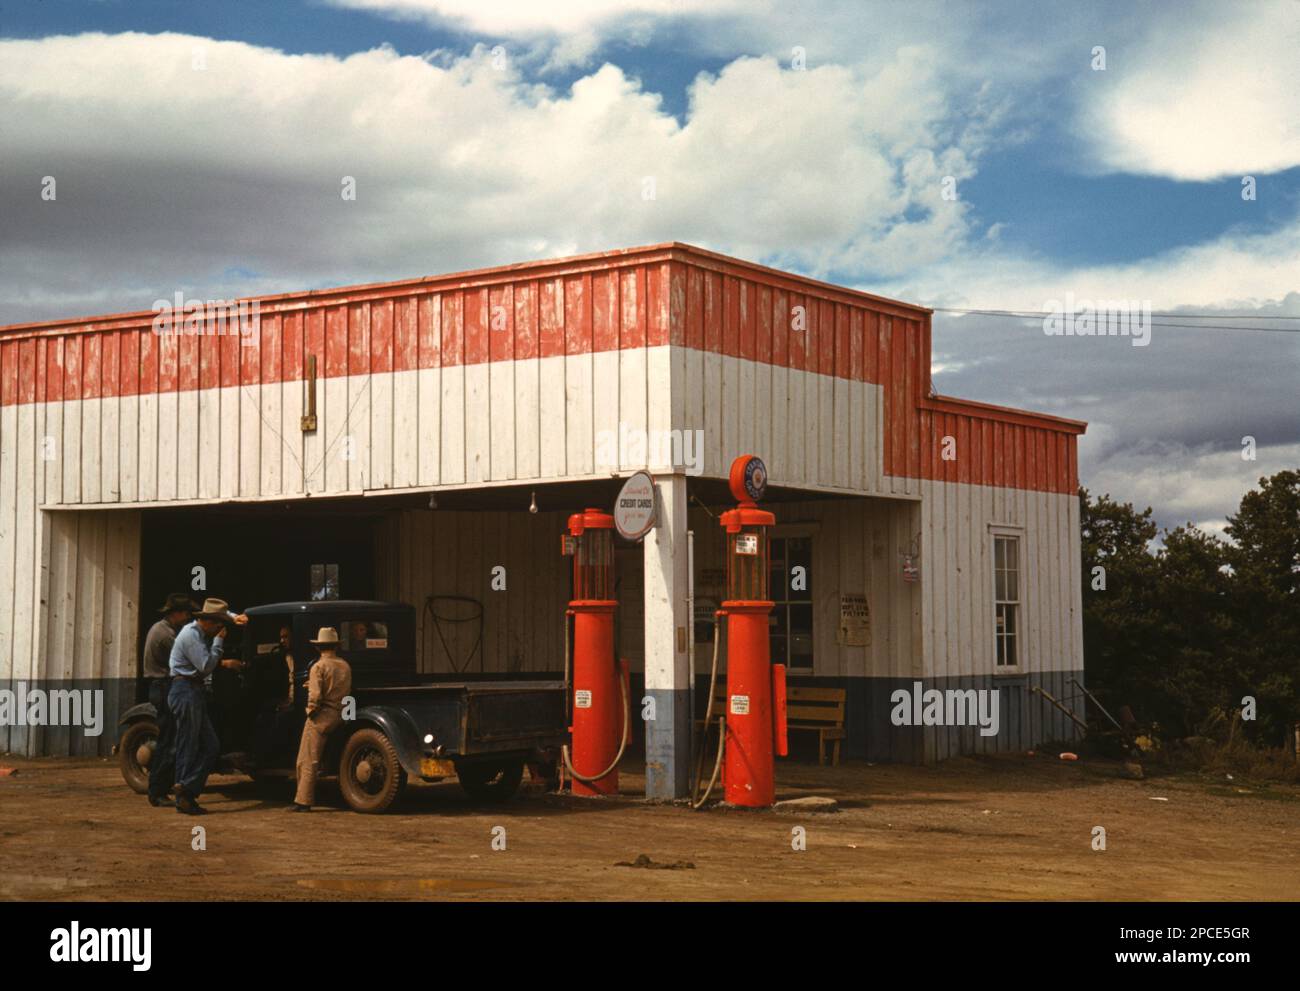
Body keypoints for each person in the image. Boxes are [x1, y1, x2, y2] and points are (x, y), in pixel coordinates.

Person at [168, 597, 247, 815]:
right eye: (219, 625)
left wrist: (234, 616)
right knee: (189, 745)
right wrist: (219, 643)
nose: (221, 629)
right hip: (186, 690)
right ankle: (184, 797)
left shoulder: (200, 630)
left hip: (192, 690)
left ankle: (186, 787)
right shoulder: (192, 636)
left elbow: (220, 612)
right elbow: (205, 667)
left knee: (210, 746)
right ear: (210, 623)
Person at [287, 627, 352, 812]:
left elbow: (315, 697)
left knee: (307, 759)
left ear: (318, 647)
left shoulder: (318, 667)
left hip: (322, 717)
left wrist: (310, 712)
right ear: (336, 646)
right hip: (340, 714)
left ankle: (303, 801)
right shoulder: (345, 665)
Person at [142, 593, 196, 807]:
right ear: (177, 613)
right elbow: (185, 659)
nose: (187, 618)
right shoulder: (166, 635)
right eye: (185, 613)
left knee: (169, 738)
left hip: (161, 687)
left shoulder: (162, 629)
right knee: (169, 741)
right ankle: (157, 791)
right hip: (164, 687)